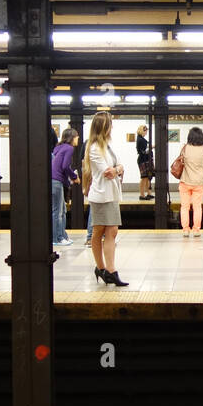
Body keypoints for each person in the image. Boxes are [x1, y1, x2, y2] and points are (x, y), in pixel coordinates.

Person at [84, 110, 128, 285]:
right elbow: (109, 171)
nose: (112, 128)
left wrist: (118, 167)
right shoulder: (94, 148)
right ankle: (104, 268)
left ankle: (109, 270)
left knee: (112, 231)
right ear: (104, 127)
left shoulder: (106, 147)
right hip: (101, 196)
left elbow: (115, 167)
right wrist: (119, 168)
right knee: (99, 231)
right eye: (110, 124)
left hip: (111, 194)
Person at [177, 126, 203, 237]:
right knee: (197, 207)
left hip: (185, 181)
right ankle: (196, 230)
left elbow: (181, 162)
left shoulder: (184, 148)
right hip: (199, 182)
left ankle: (185, 230)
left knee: (184, 207)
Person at [51, 128, 79, 247]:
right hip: (57, 181)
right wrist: (74, 177)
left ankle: (62, 236)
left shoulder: (58, 148)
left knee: (61, 210)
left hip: (53, 181)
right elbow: (65, 166)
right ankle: (58, 238)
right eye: (77, 136)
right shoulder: (69, 148)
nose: (78, 139)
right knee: (58, 211)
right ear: (72, 137)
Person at [136, 124, 153, 201]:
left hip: (145, 159)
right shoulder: (141, 139)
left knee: (148, 177)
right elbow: (143, 151)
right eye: (145, 131)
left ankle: (149, 193)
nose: (146, 132)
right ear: (142, 131)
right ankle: (142, 195)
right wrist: (152, 147)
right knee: (144, 178)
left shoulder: (141, 139)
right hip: (143, 160)